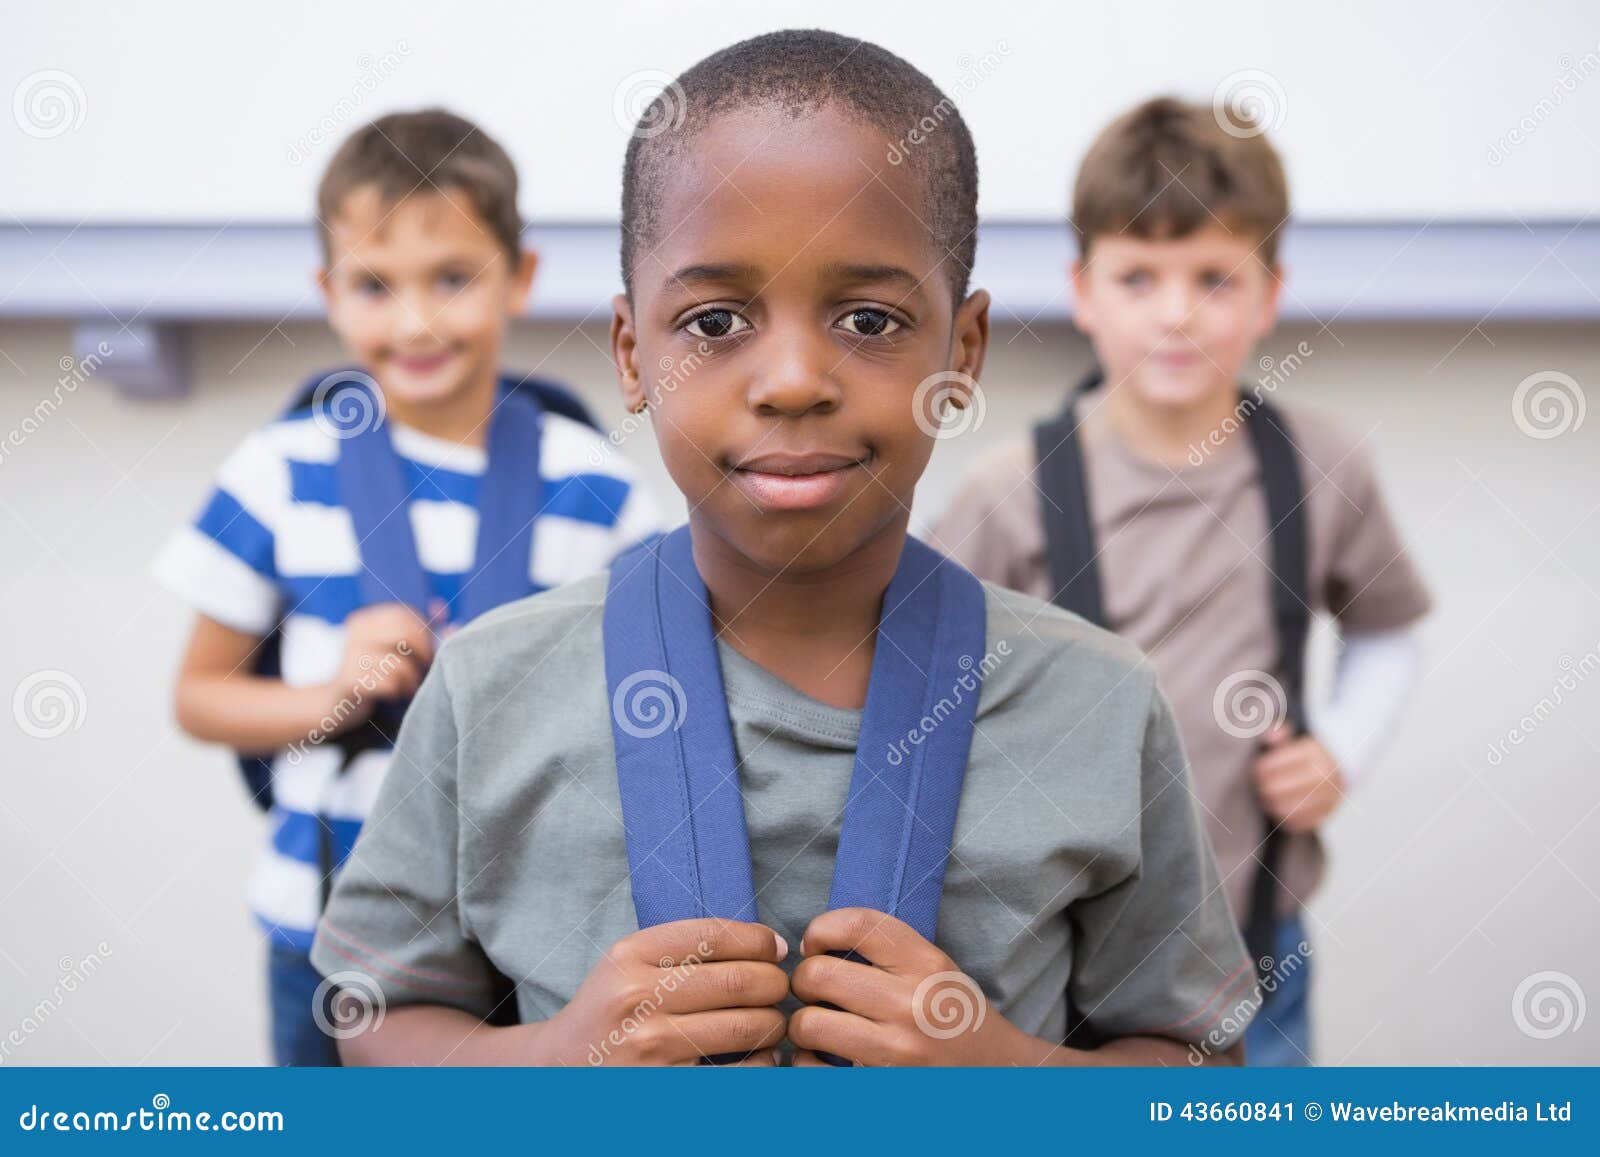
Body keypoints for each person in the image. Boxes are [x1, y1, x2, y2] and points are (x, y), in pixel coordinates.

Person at [310, 33, 1255, 1067]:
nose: (794, 378)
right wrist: (551, 1060)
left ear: (964, 349)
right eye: (715, 320)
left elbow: (1197, 1063)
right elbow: (375, 1018)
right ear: (632, 355)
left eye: (869, 316)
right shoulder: (490, 686)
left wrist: (1004, 1070)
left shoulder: (1098, 700)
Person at [152, 109, 662, 1065]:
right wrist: (329, 700)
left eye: (455, 278)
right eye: (376, 285)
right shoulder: (277, 471)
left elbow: (655, 701)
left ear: (522, 278)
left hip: (525, 940)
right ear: (328, 293)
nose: (418, 319)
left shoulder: (597, 490)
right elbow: (198, 696)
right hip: (320, 935)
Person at [932, 97, 1432, 1065]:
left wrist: (1339, 751)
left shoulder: (1323, 464)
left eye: (1213, 277)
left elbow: (1387, 629)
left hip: (1256, 959)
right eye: (1137, 276)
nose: (1174, 311)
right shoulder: (1010, 491)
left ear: (1268, 293)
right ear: (1082, 291)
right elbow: (927, 684)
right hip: (1057, 965)